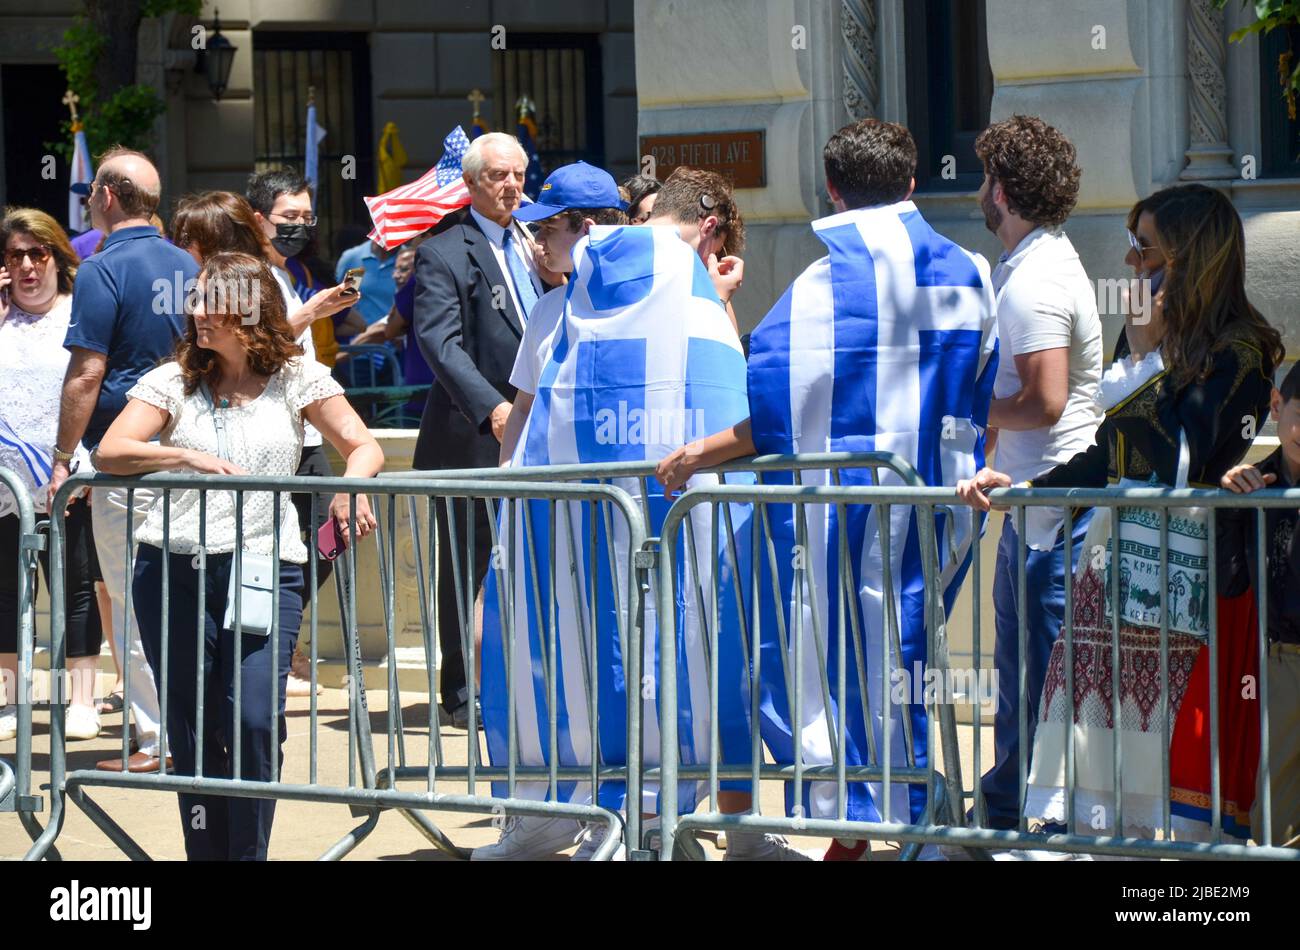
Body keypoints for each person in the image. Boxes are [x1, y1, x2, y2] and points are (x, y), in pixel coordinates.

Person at [657, 119, 999, 860]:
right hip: (933, 514)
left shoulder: (817, 288)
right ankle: (887, 820)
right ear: (911, 183)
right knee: (911, 662)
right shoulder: (972, 270)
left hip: (840, 520)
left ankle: (865, 819)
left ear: (833, 188)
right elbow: (983, 396)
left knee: (839, 667)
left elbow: (770, 410)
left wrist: (696, 454)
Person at [958, 183, 1284, 838]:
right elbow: (1104, 451)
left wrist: (1143, 350)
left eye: (1145, 248)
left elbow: (1175, 449)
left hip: (1193, 577)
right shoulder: (1151, 336)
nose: (1132, 263)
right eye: (1132, 247)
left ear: (1190, 255)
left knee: (1176, 763)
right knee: (1089, 734)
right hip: (1112, 561)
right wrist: (1026, 490)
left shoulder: (1242, 350)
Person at [93, 252, 384, 860]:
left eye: (210, 300)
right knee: (193, 728)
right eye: (194, 299)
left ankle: (248, 854)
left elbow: (361, 443)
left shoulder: (296, 376)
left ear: (249, 308)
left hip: (264, 568)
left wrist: (352, 483)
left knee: (254, 718)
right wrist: (181, 457)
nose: (195, 311)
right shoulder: (173, 381)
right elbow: (112, 451)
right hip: (170, 570)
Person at [970, 116, 1103, 830]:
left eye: (988, 177)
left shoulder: (1035, 278)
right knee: (1026, 678)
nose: (981, 191)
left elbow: (1045, 401)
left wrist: (973, 410)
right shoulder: (1033, 264)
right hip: (1037, 509)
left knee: (1042, 680)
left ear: (1007, 191)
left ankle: (1039, 820)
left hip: (1053, 514)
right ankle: (1009, 808)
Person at [48, 147, 199, 773]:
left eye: (91, 196)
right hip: (196, 456)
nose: (87, 204)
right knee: (189, 597)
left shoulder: (100, 270)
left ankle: (158, 739)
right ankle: (189, 732)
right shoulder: (193, 264)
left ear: (108, 197)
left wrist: (63, 458)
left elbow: (86, 374)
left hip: (125, 461)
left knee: (135, 601)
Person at [411, 131, 550, 729]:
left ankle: (525, 678)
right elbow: (440, 343)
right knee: (468, 567)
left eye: (519, 174)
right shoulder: (443, 249)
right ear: (469, 183)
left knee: (532, 561)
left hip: (541, 435)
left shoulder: (536, 243)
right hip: (472, 439)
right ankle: (462, 691)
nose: (512, 186)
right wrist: (492, 409)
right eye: (498, 175)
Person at [0, 208, 103, 742]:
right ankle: (11, 700)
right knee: (5, 593)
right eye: (14, 255)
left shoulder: (78, 312)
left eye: (36, 253)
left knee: (74, 589)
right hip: (4, 486)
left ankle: (82, 700)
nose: (26, 266)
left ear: (57, 256)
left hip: (66, 477)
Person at [1215, 362, 1300, 848]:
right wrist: (1232, 511)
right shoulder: (1256, 485)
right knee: (1276, 828)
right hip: (1283, 662)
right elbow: (1231, 584)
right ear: (1275, 406)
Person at [643, 167, 745, 333]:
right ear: (709, 227)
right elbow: (711, 354)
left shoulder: (594, 249)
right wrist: (718, 299)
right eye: (715, 252)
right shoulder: (676, 275)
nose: (709, 266)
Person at [334, 234, 396, 333]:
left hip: (396, 342)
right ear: (373, 226)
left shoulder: (407, 259)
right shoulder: (354, 258)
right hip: (358, 343)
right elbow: (342, 299)